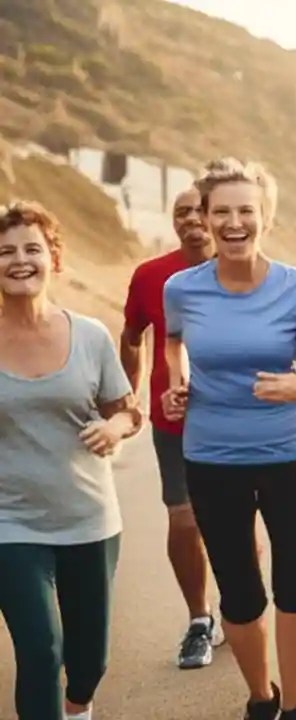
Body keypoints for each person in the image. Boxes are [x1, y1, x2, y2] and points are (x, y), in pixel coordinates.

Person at [160, 158, 296, 720]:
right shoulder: (182, 290)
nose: (234, 222)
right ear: (206, 218)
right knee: (240, 594)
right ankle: (262, 701)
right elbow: (172, 342)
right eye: (221, 212)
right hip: (211, 459)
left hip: (288, 456)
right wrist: (176, 385)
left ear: (266, 217)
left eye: (246, 210)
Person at [0, 200, 143, 720]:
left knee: (89, 663)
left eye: (32, 249)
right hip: (11, 522)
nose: (20, 260)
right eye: (5, 252)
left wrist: (114, 428)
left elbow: (128, 411)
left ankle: (78, 707)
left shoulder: (89, 336)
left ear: (53, 259)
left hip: (88, 518)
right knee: (41, 651)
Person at [120, 185, 225, 670]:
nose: (192, 219)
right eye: (182, 212)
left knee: (237, 524)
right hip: (174, 419)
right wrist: (129, 395)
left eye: (200, 210)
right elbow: (131, 337)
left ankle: (237, 604)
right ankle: (199, 619)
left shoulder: (240, 270)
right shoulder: (150, 276)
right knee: (183, 520)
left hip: (234, 420)